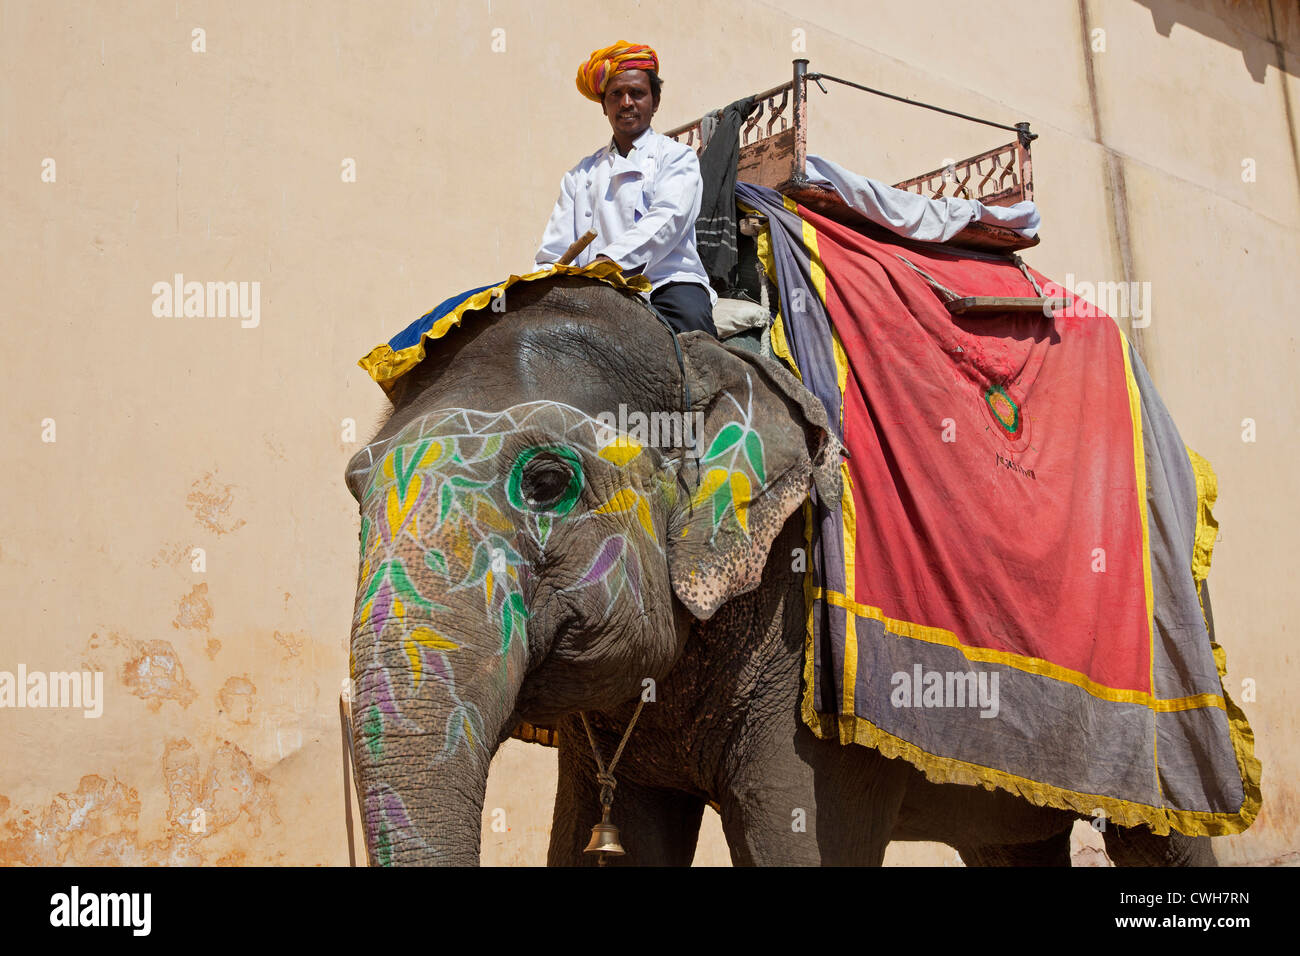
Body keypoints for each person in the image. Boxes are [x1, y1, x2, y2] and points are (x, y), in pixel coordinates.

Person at [534, 41, 717, 336]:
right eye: (616, 94)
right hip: (591, 293)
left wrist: (609, 262)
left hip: (666, 283)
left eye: (637, 93)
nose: (626, 102)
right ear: (604, 106)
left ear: (654, 102)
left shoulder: (676, 157)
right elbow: (553, 252)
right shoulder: (579, 175)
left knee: (691, 324)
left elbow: (669, 217)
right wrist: (539, 284)